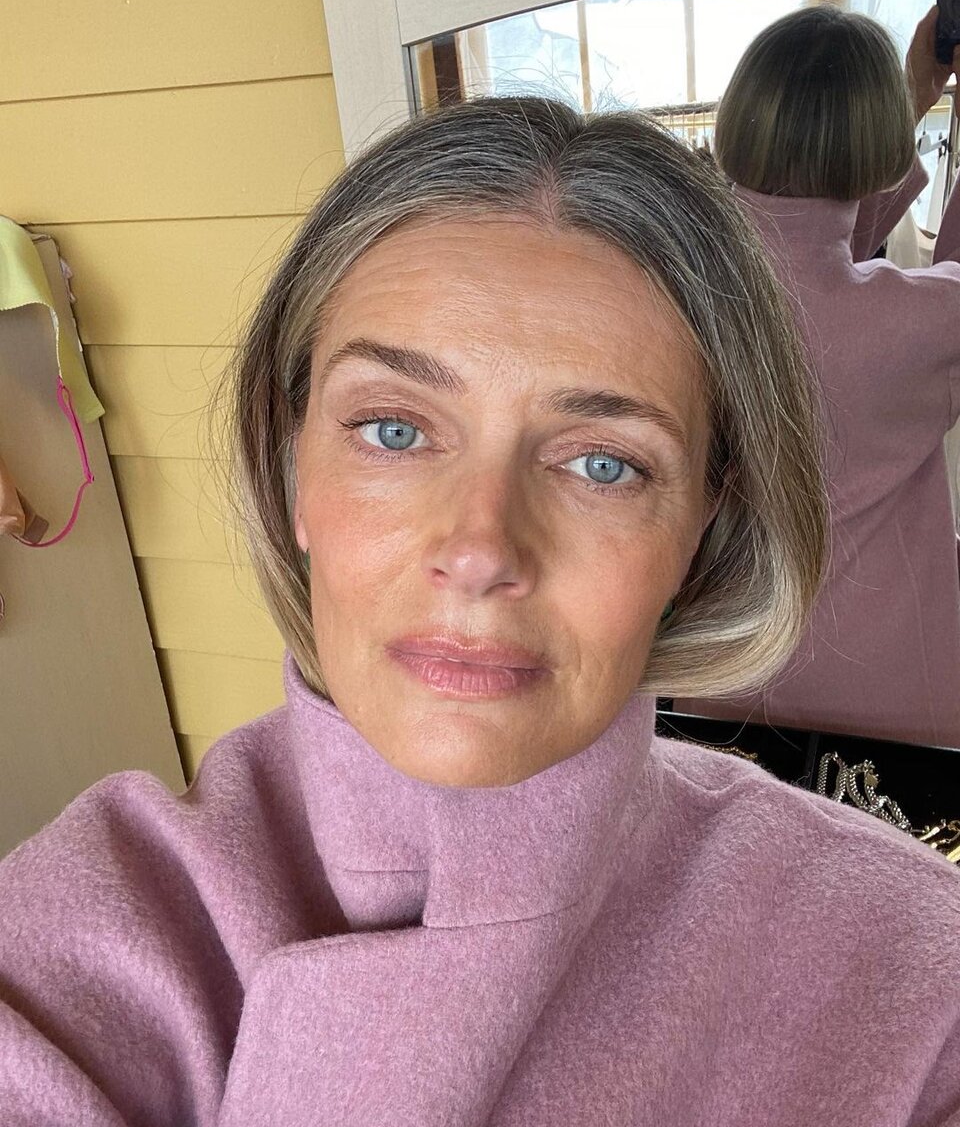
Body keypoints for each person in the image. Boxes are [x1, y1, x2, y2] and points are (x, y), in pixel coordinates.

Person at [1, 96, 959, 1126]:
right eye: (393, 430)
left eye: (604, 464)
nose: (480, 549)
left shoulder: (914, 974)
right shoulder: (80, 927)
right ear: (291, 465)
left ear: (701, 524)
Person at [677, 5, 960, 747]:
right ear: (880, 151)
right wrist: (908, 106)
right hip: (893, 702)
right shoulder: (922, 325)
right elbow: (832, 265)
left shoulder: (680, 297)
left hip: (720, 679)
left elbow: (799, 255)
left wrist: (909, 96)